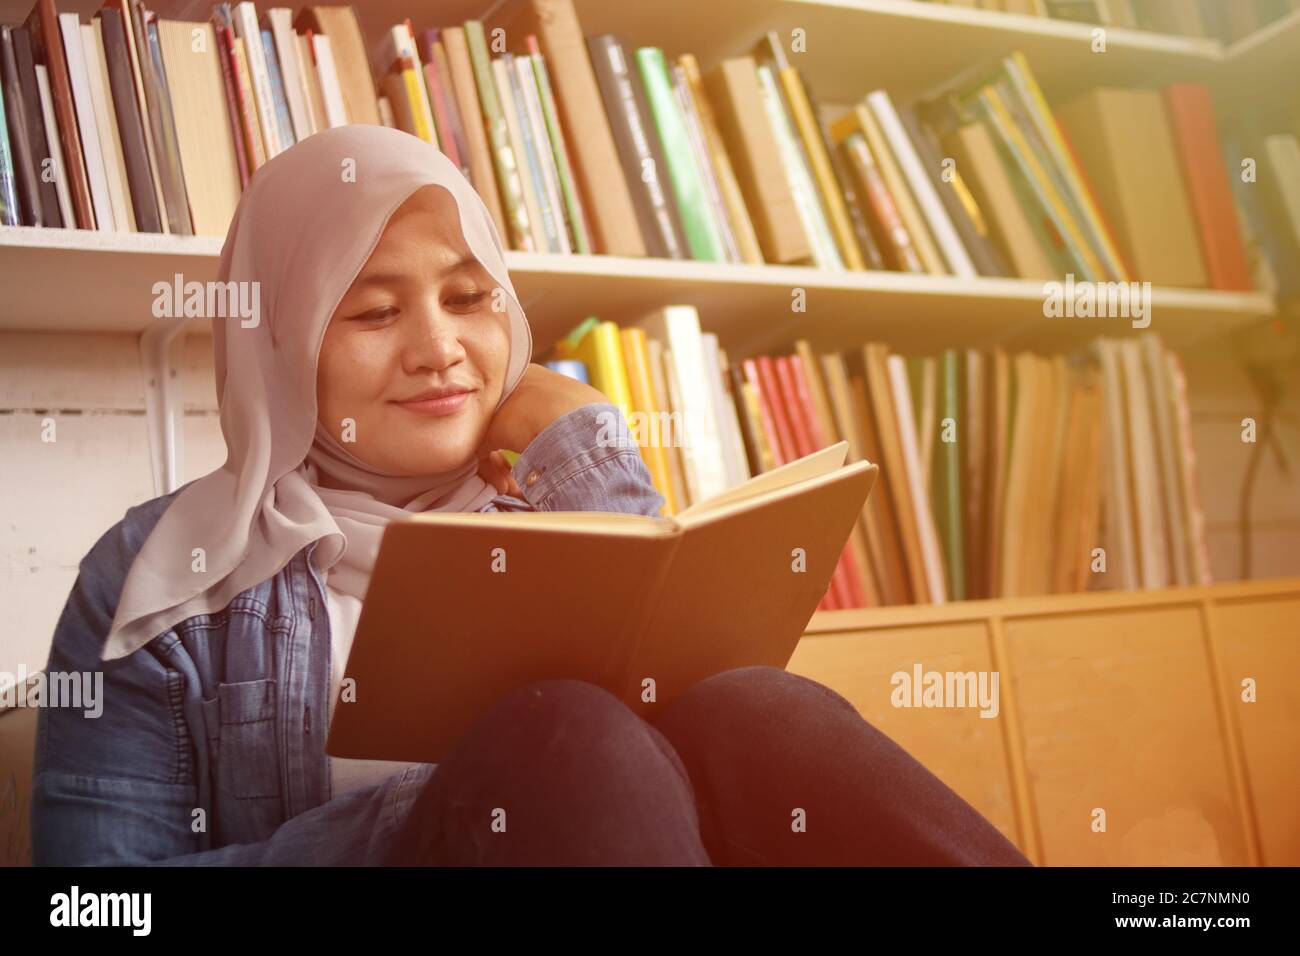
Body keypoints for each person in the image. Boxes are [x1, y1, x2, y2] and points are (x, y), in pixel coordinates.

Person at [31, 124, 1030, 867]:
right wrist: (434, 812)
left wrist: (585, 450)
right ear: (281, 342)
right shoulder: (157, 571)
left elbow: (689, 738)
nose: (440, 349)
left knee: (752, 706)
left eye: (470, 298)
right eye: (375, 310)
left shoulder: (544, 502)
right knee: (563, 732)